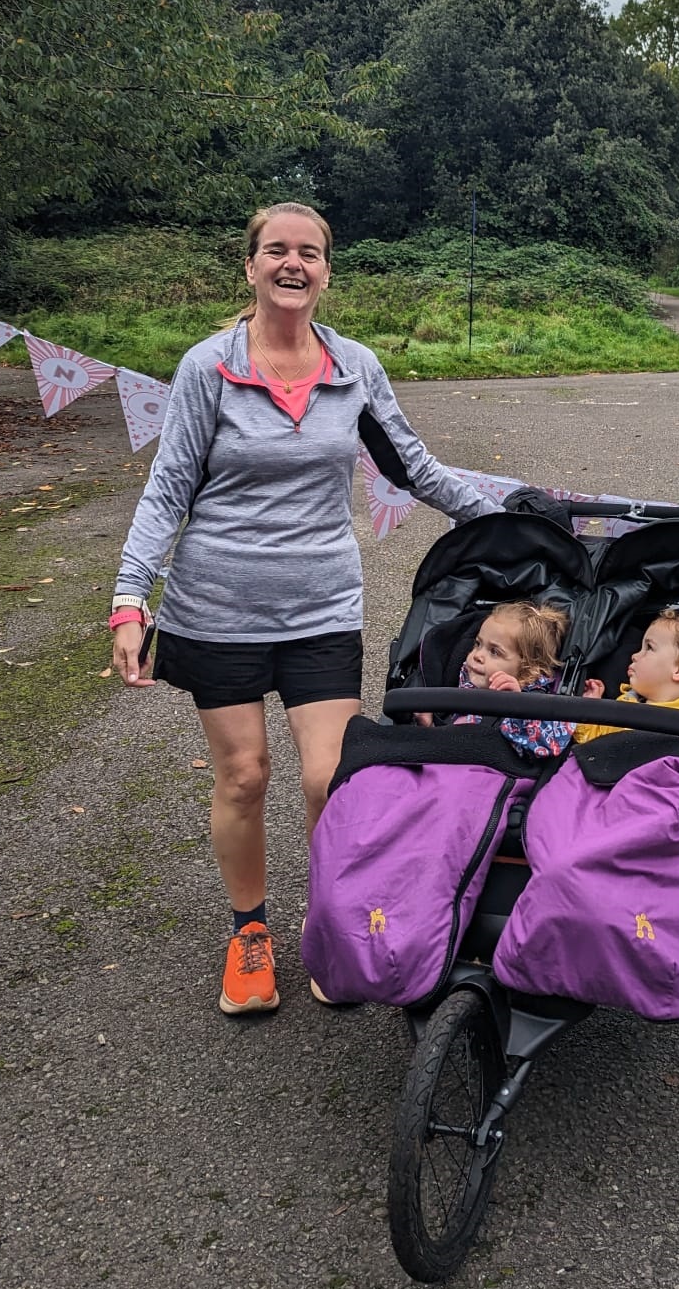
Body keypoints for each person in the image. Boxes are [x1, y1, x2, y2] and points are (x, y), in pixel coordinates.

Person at [109, 201, 498, 1016]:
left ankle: (332, 923)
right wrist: (128, 601)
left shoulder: (354, 367)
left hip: (322, 604)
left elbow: (413, 466)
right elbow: (168, 489)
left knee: (331, 777)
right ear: (250, 267)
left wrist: (505, 519)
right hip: (216, 608)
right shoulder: (207, 367)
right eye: (277, 251)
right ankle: (251, 933)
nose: (294, 264)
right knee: (245, 777)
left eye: (309, 253)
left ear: (326, 270)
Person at [573, 604, 679, 743]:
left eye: (649, 648)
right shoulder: (623, 705)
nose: (634, 656)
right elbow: (592, 741)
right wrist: (590, 706)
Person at [452, 601, 574, 758]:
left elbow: (550, 745)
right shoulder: (469, 678)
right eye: (477, 644)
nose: (477, 655)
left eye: (494, 652)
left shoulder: (537, 704)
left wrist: (517, 706)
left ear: (528, 666)